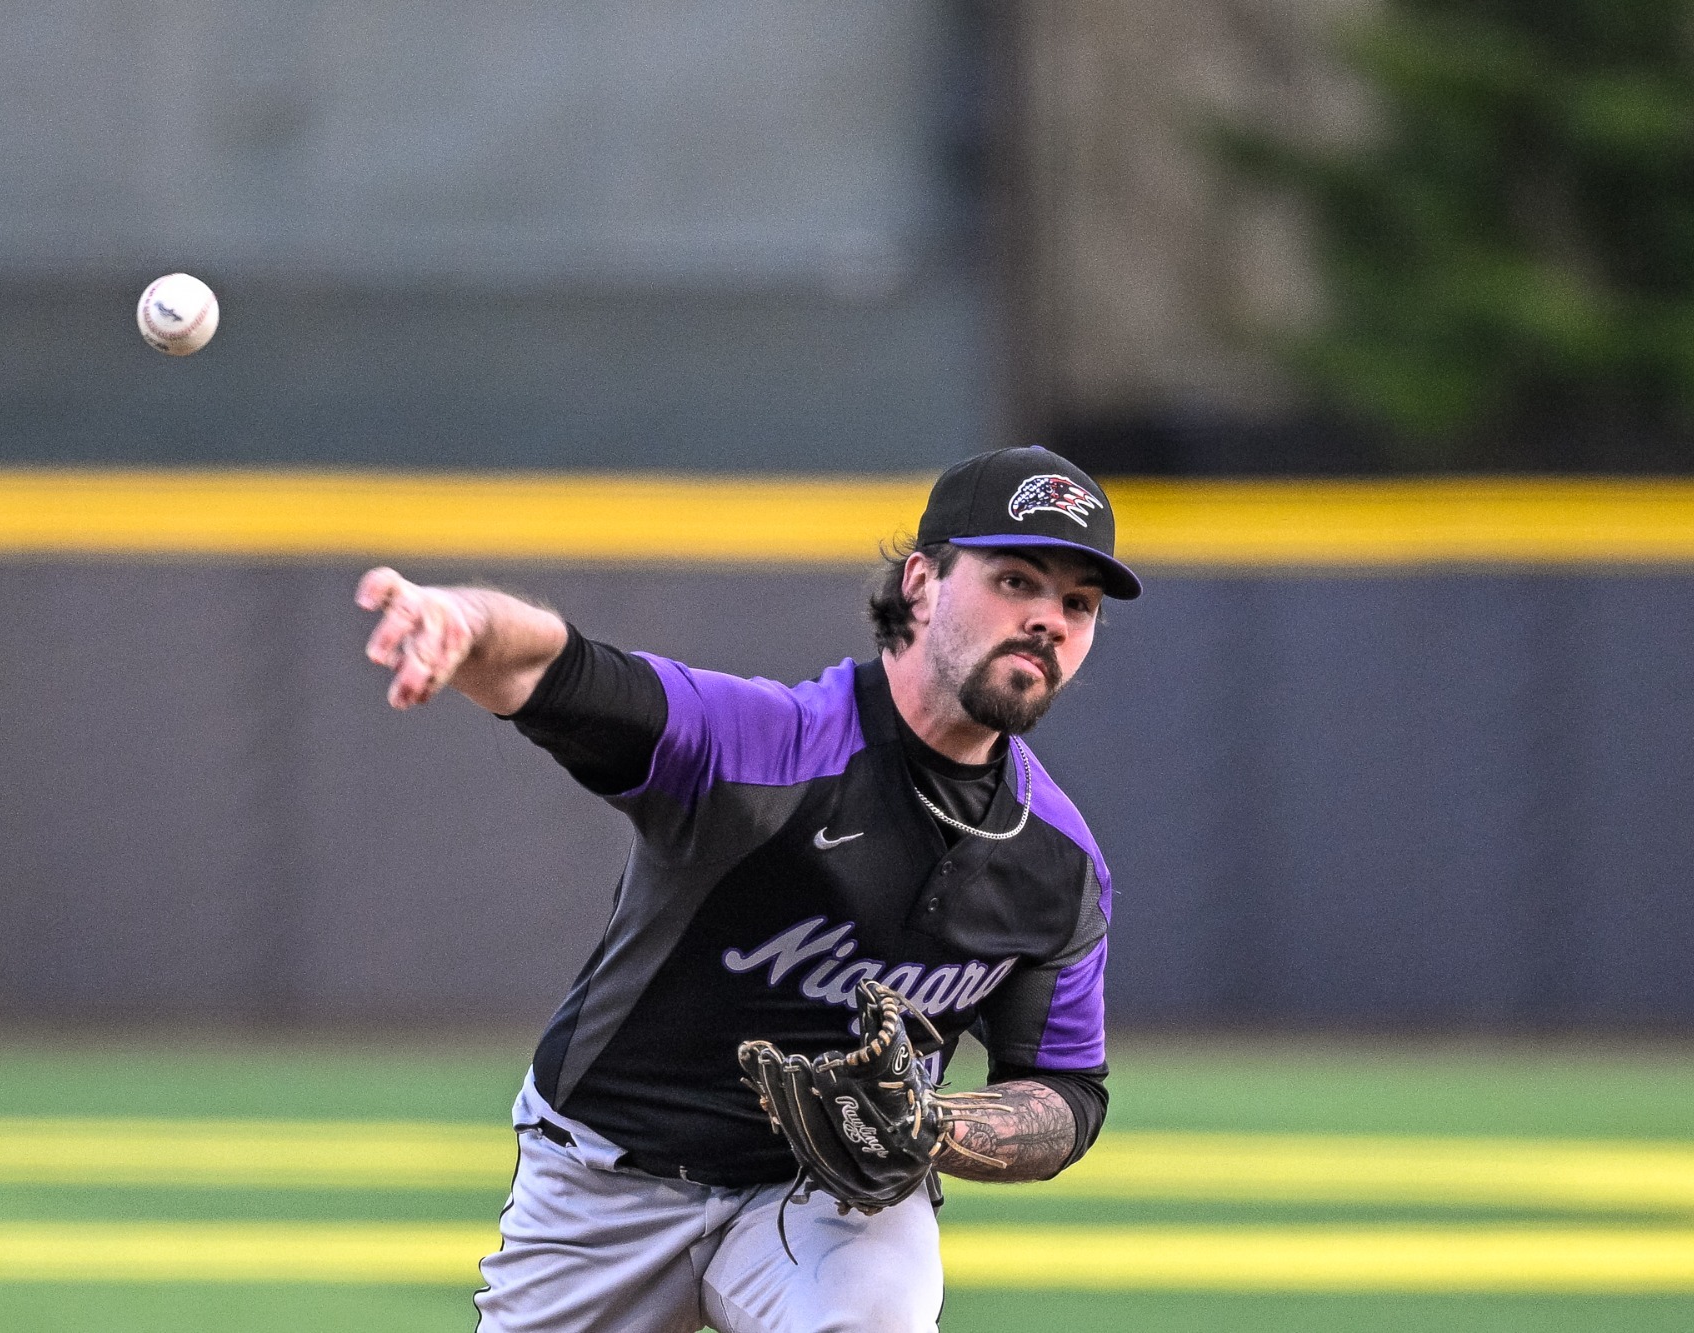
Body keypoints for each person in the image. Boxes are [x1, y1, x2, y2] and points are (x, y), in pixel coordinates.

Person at [357, 447, 1139, 1333]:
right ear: (921, 583)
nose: (1048, 619)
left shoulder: (1057, 860)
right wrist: (466, 621)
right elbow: (558, 672)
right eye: (1015, 579)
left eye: (1077, 603)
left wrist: (935, 1122)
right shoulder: (769, 745)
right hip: (609, 1176)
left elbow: (1067, 1092)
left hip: (829, 1201)